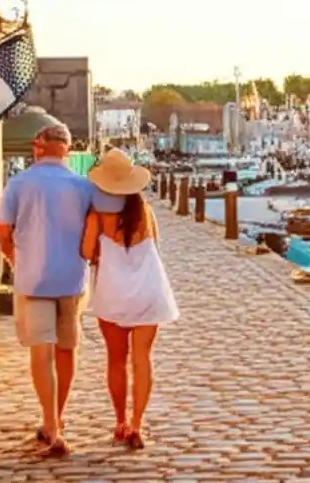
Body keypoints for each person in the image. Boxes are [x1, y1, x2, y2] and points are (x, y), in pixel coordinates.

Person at [0, 118, 94, 457]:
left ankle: (51, 422)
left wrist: (13, 260)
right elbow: (93, 234)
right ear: (66, 148)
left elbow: (4, 231)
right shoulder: (83, 186)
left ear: (39, 146)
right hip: (71, 278)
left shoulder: (19, 183)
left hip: (33, 277)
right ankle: (58, 417)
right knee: (66, 349)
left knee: (42, 351)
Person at [81, 148, 179, 450]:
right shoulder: (144, 211)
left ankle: (121, 420)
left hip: (112, 292)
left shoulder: (98, 215)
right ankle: (138, 424)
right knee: (142, 359)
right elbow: (156, 246)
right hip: (149, 290)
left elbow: (86, 252)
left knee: (116, 359)